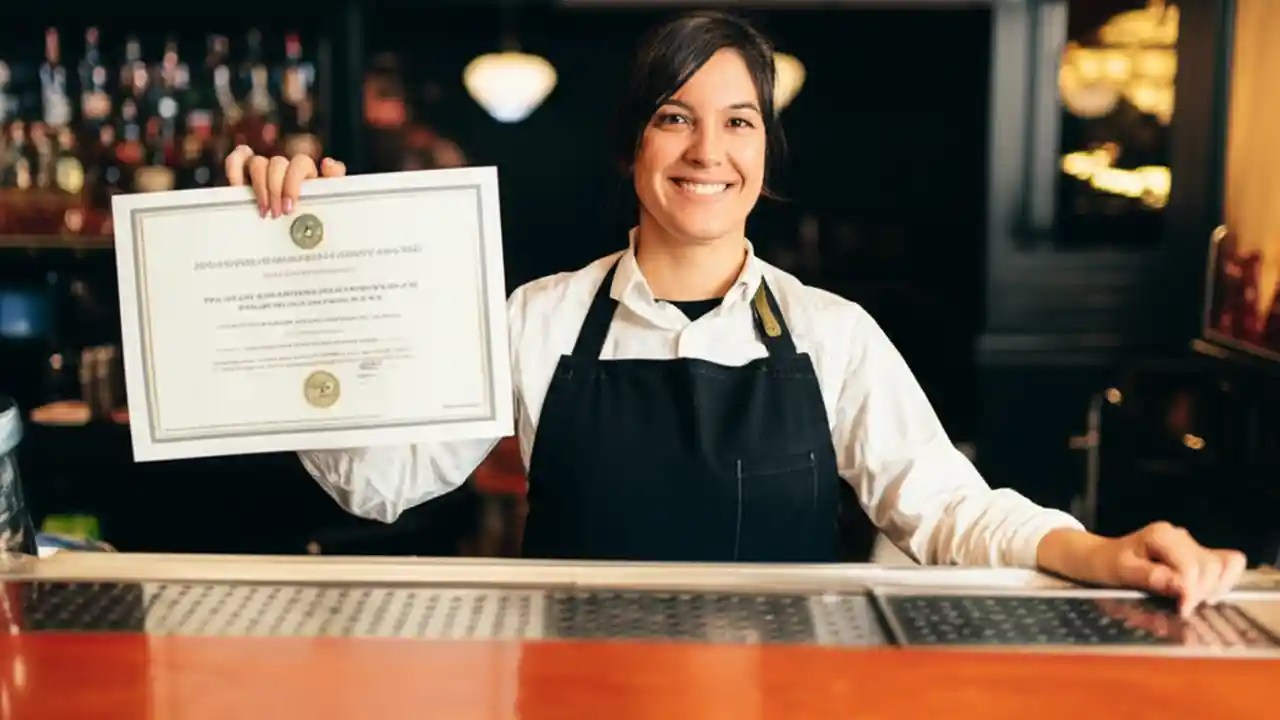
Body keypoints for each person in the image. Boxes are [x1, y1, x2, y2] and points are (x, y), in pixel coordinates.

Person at [224, 10, 1245, 615]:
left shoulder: (830, 333)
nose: (706, 152)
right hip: (574, 702)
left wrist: (1099, 553)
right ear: (633, 147)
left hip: (777, 699)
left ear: (762, 154)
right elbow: (375, 485)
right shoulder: (535, 319)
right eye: (675, 118)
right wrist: (305, 273)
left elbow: (945, 510)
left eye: (736, 122)